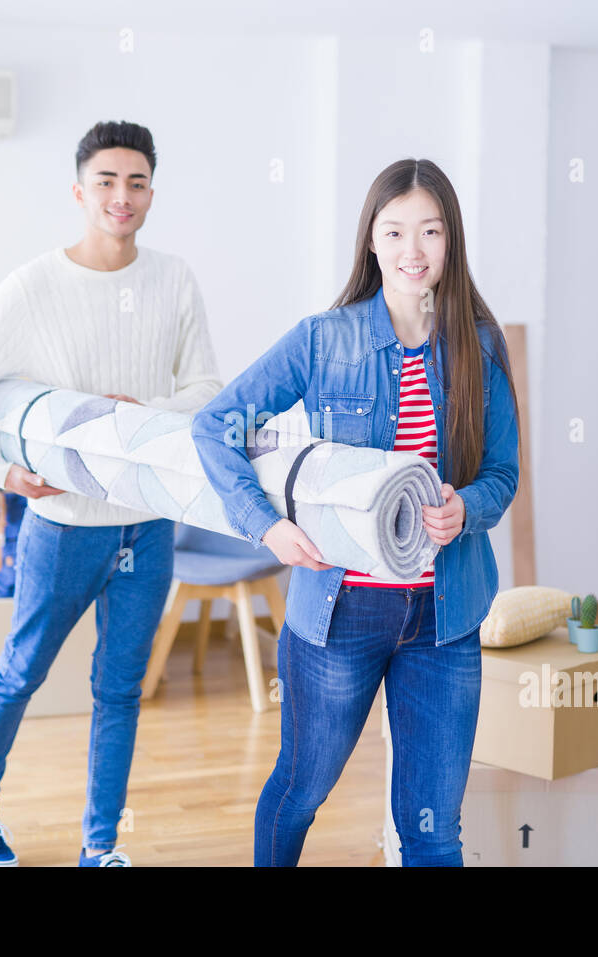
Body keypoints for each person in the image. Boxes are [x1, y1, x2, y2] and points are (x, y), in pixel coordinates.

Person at [190, 158, 520, 866]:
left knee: (434, 828)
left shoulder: (479, 346)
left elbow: (502, 473)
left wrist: (468, 507)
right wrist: (266, 525)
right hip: (340, 612)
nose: (413, 250)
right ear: (370, 240)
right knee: (302, 792)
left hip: (446, 615)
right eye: (395, 231)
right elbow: (216, 424)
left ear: (451, 241)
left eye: (430, 231)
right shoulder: (322, 339)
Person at [0, 120, 223, 867]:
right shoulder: (34, 287)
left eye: (137, 182)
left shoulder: (174, 278)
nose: (122, 197)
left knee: (120, 691)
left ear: (152, 191)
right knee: (22, 669)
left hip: (148, 522)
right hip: (63, 525)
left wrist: (145, 413)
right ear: (79, 191)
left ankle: (100, 847)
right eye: (106, 181)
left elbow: (208, 389)